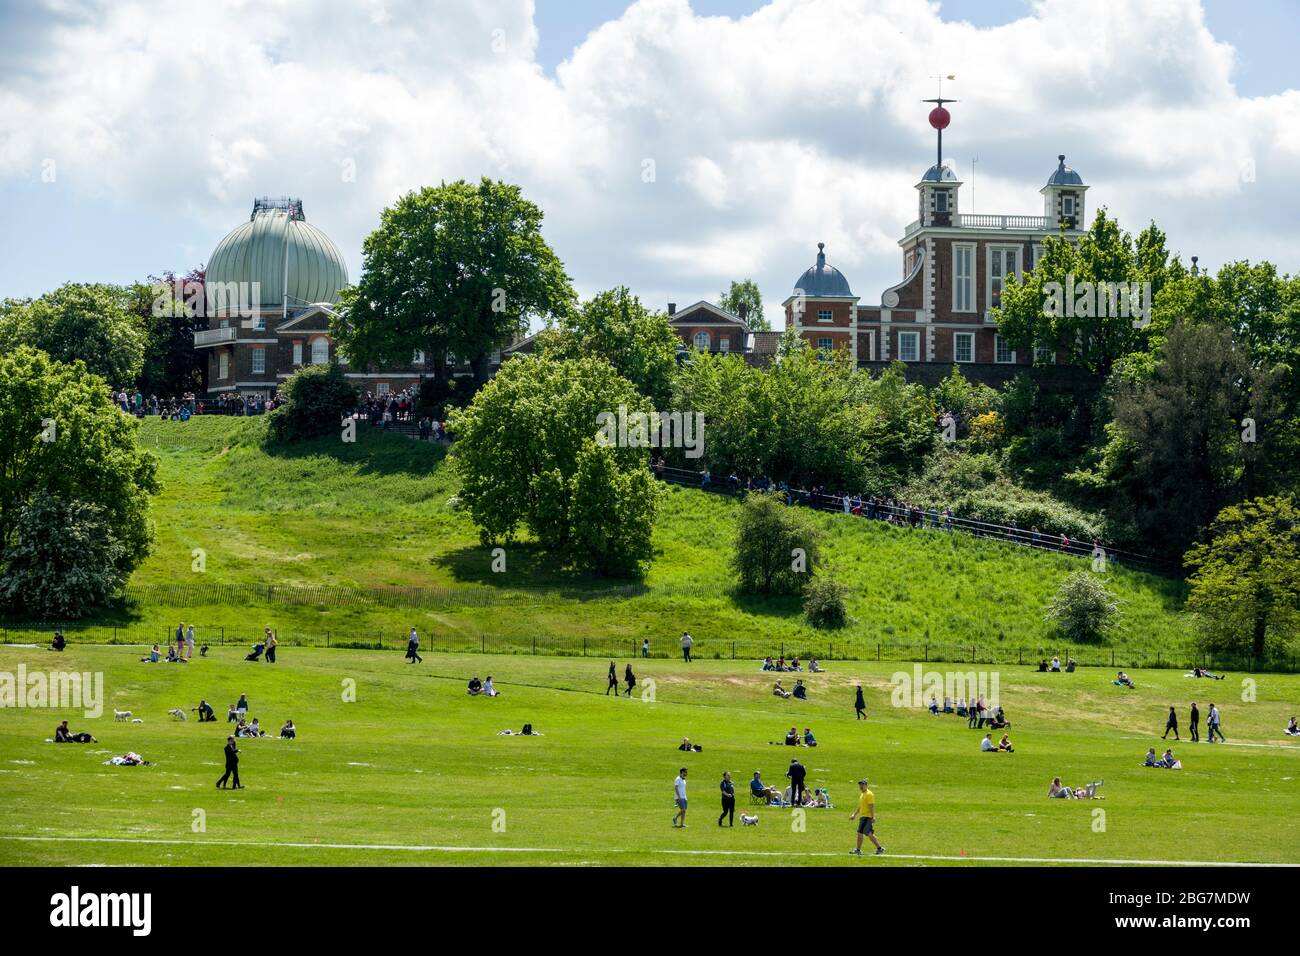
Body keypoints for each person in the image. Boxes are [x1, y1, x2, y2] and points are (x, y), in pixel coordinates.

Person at [848, 778, 884, 856]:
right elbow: (860, 806)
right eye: (860, 785)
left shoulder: (869, 794)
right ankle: (879, 848)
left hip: (867, 817)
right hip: (863, 816)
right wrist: (854, 814)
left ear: (866, 785)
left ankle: (858, 850)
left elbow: (871, 806)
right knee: (869, 834)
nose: (861, 786)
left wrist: (873, 817)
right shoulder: (862, 794)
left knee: (860, 832)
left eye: (862, 785)